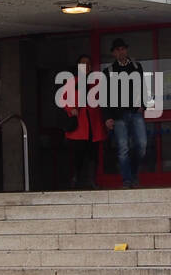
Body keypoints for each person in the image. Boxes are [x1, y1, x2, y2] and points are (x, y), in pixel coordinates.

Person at [102, 37, 148, 188]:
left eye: (123, 49)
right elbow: (104, 96)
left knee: (141, 145)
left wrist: (143, 105)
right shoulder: (108, 71)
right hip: (118, 115)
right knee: (123, 147)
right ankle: (127, 180)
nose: (121, 52)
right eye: (118, 50)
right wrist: (107, 117)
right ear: (113, 53)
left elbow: (143, 87)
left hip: (135, 112)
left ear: (126, 50)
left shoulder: (136, 67)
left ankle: (133, 174)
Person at [62, 54, 104, 189]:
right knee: (77, 155)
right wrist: (70, 109)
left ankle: (92, 180)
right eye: (82, 63)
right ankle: (76, 179)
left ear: (91, 67)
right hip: (79, 125)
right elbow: (63, 99)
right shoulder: (72, 81)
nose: (85, 66)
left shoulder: (96, 82)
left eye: (88, 64)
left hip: (94, 124)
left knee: (93, 155)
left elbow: (104, 100)